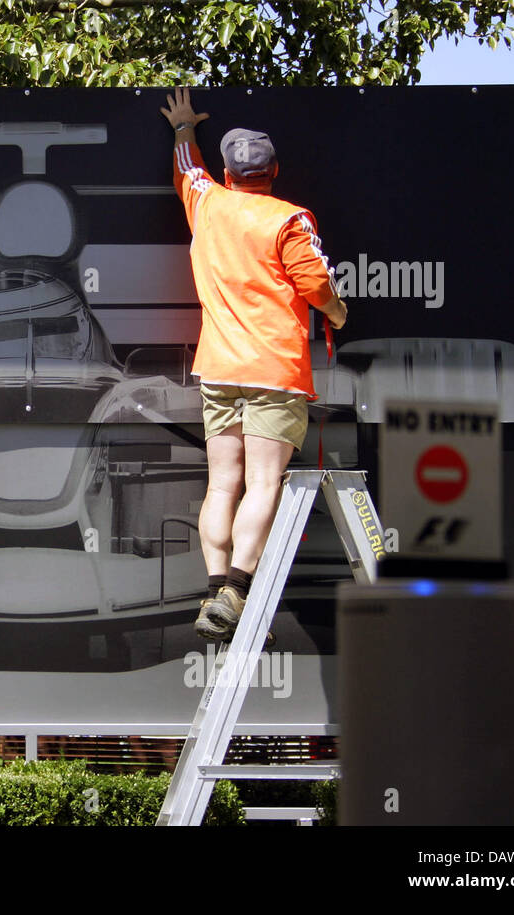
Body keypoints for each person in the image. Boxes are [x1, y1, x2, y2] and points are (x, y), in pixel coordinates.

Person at [159, 88, 348, 643]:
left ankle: (215, 590)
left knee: (223, 485)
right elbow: (317, 286)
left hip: (217, 369)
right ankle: (237, 590)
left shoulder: (207, 202)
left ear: (229, 171)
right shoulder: (289, 219)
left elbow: (186, 167)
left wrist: (183, 127)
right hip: (275, 370)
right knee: (264, 481)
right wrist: (338, 312)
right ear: (275, 171)